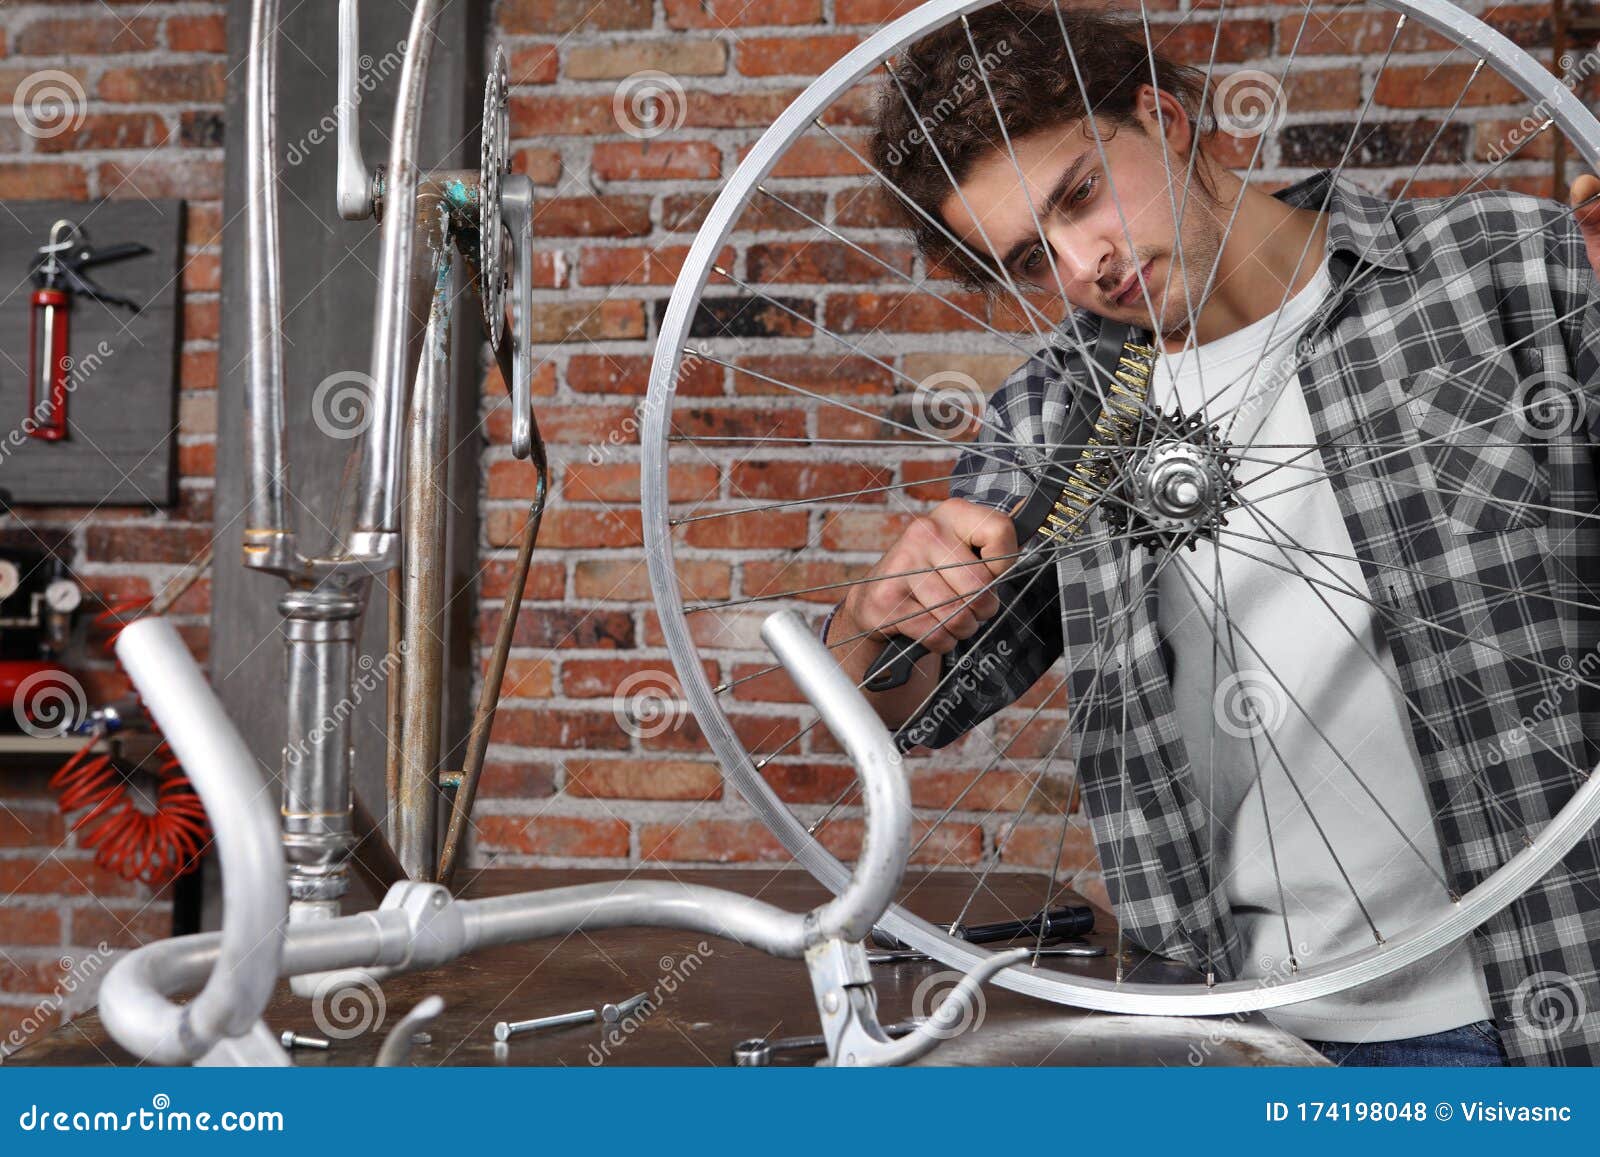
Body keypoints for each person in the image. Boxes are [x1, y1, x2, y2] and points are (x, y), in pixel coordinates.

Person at [823, 0, 1600, 1067]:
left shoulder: (1501, 266)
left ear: (1166, 117)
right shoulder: (1054, 415)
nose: (1083, 260)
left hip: (1558, 982)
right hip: (1249, 1031)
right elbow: (922, 699)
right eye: (1030, 252)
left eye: (1082, 192)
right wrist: (875, 624)